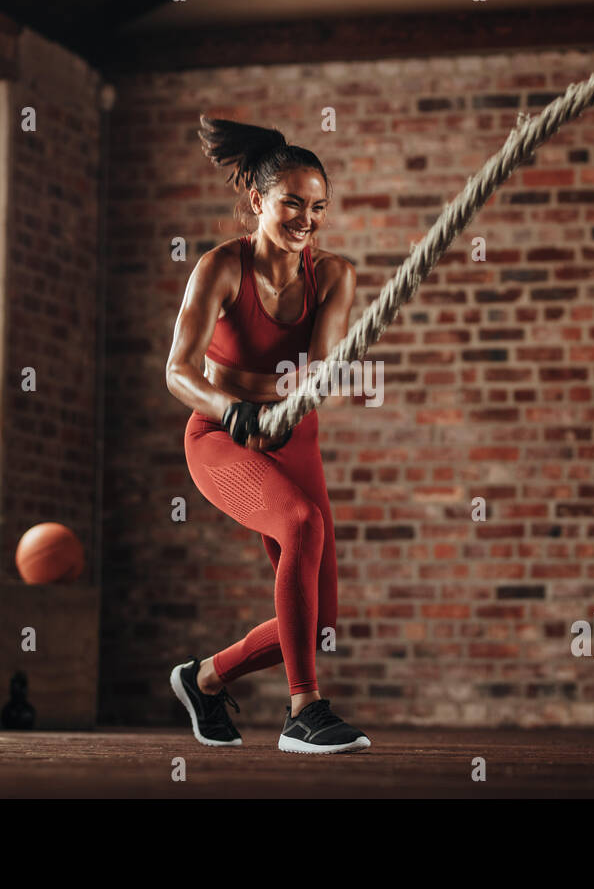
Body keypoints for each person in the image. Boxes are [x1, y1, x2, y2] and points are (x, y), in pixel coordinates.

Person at [163, 115, 369, 754]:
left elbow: (321, 372)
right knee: (302, 522)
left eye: (319, 207)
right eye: (292, 204)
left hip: (293, 439)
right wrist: (230, 411)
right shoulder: (221, 268)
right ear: (258, 201)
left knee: (319, 621)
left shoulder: (333, 275)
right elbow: (177, 372)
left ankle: (204, 680)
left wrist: (330, 373)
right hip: (221, 439)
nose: (307, 218)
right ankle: (303, 710)